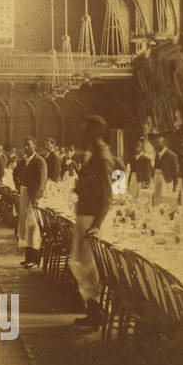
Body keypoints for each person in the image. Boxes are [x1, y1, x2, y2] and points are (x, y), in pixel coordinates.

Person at [70, 116, 116, 329]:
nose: (82, 134)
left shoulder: (102, 155)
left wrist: (97, 224)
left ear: (95, 131)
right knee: (79, 263)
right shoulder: (93, 152)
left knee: (88, 266)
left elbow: (107, 194)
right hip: (84, 213)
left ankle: (96, 313)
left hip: (90, 217)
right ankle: (91, 308)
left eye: (86, 130)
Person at [16, 137, 48, 268]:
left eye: (28, 145)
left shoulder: (40, 161)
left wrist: (35, 198)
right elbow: (16, 174)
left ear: (34, 146)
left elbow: (42, 182)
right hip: (25, 195)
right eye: (24, 146)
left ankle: (35, 260)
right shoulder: (25, 161)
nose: (26, 148)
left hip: (33, 198)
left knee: (34, 228)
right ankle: (28, 257)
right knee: (26, 227)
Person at [152, 134, 179, 203]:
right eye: (156, 143)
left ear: (164, 143)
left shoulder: (172, 155)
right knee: (157, 199)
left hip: (166, 181)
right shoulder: (157, 155)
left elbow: (175, 171)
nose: (157, 145)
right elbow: (155, 168)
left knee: (165, 200)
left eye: (158, 143)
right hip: (157, 180)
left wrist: (175, 185)